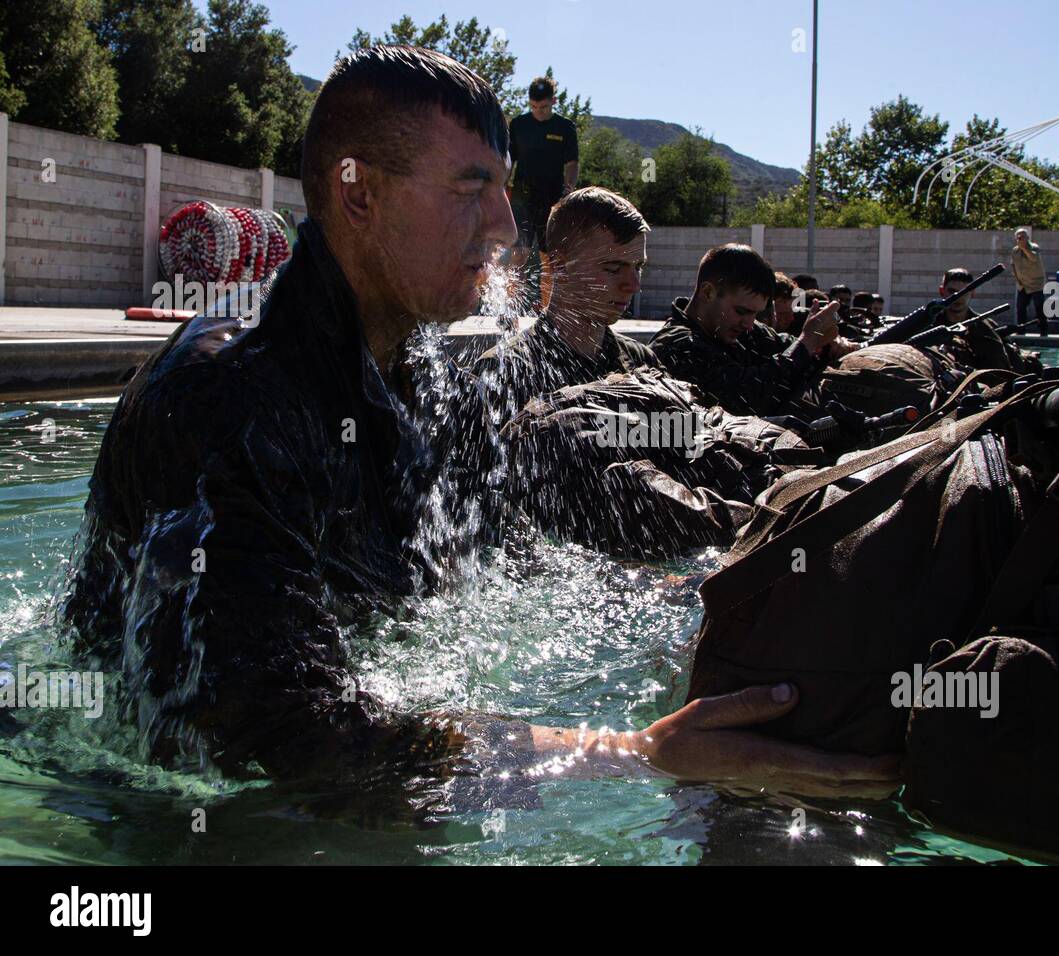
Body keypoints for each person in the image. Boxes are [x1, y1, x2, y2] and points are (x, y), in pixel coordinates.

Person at [61, 46, 896, 798]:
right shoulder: (234, 398)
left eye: (503, 188)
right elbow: (277, 732)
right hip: (165, 815)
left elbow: (473, 562)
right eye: (471, 189)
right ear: (358, 193)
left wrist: (652, 598)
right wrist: (633, 750)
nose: (505, 226)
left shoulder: (411, 364)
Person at [473, 186, 658, 416]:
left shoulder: (643, 363)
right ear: (560, 265)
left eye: (638, 267)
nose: (633, 285)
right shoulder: (506, 372)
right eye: (613, 268)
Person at [650, 244, 849, 418]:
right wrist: (807, 343)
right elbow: (748, 399)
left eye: (755, 314)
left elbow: (787, 346)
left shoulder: (737, 330)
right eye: (742, 311)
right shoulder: (676, 345)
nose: (749, 324)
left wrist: (826, 342)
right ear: (708, 292)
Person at [508, 75, 579, 252]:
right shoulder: (518, 125)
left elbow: (572, 163)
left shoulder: (565, 127)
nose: (538, 111)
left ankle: (549, 281)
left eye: (543, 107)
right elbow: (509, 159)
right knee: (518, 251)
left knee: (550, 253)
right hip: (522, 196)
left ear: (553, 101)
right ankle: (517, 281)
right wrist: (501, 187)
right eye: (533, 106)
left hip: (552, 196)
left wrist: (568, 192)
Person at [1006, 228, 1047, 335]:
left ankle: (1043, 330)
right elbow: (1013, 265)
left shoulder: (1034, 247)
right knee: (1021, 308)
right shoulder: (1015, 251)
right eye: (1018, 238)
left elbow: (1034, 258)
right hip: (1023, 284)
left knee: (1039, 307)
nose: (1020, 240)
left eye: (1023, 237)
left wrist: (1024, 248)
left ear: (1028, 238)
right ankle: (1021, 331)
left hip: (1036, 283)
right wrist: (1017, 279)